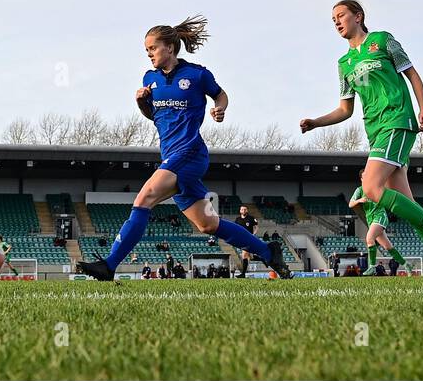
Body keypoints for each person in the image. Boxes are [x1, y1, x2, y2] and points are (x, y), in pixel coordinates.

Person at [76, 16, 291, 280]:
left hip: (189, 153)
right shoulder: (150, 78)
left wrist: (220, 108)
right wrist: (141, 102)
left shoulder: (197, 74)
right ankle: (269, 252)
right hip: (171, 156)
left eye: (152, 48)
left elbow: (220, 94)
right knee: (207, 224)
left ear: (169, 47)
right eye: (146, 51)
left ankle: (109, 265)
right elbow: (154, 116)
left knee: (143, 200)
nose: (149, 55)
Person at [300, 0, 423, 275]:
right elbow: (345, 109)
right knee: (407, 205)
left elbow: (412, 74)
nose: (337, 22)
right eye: (333, 20)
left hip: (397, 120)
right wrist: (316, 123)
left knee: (371, 187)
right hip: (375, 131)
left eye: (341, 16)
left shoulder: (383, 41)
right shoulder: (344, 64)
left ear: (358, 16)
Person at [347, 185, 411, 276]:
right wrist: (359, 200)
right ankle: (406, 264)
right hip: (371, 220)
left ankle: (372, 267)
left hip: (380, 216)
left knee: (369, 238)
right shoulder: (359, 190)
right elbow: (350, 204)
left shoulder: (376, 186)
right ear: (362, 178)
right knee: (388, 246)